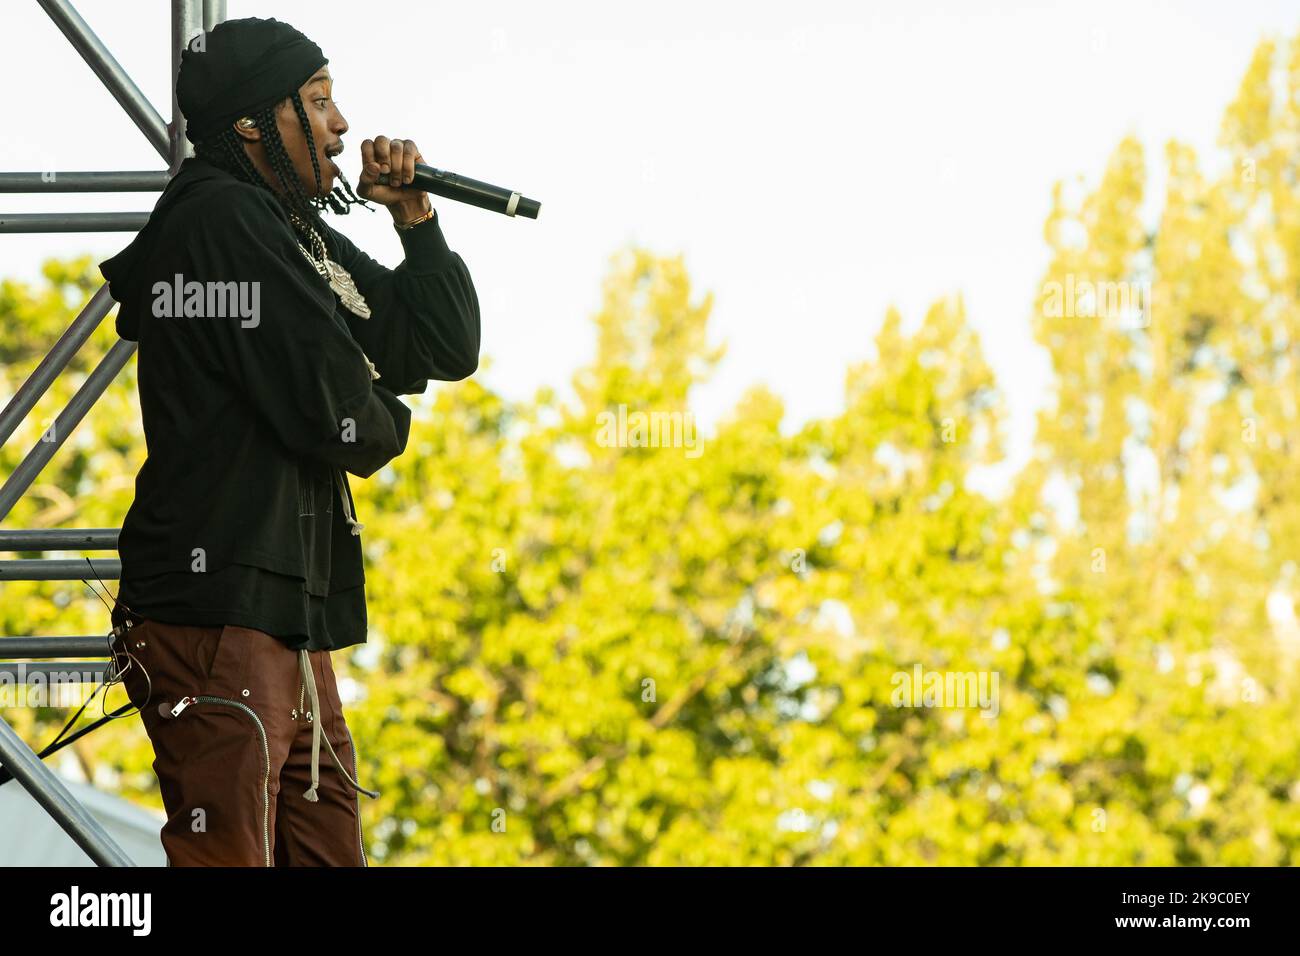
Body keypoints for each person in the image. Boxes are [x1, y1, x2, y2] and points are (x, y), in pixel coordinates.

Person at [98, 16, 480, 866]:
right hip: (218, 606)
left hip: (282, 615)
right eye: (318, 100)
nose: (344, 124)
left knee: (325, 847)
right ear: (250, 121)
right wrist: (383, 412)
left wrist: (416, 220)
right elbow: (334, 409)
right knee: (230, 853)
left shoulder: (288, 230)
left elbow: (440, 348)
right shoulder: (221, 220)